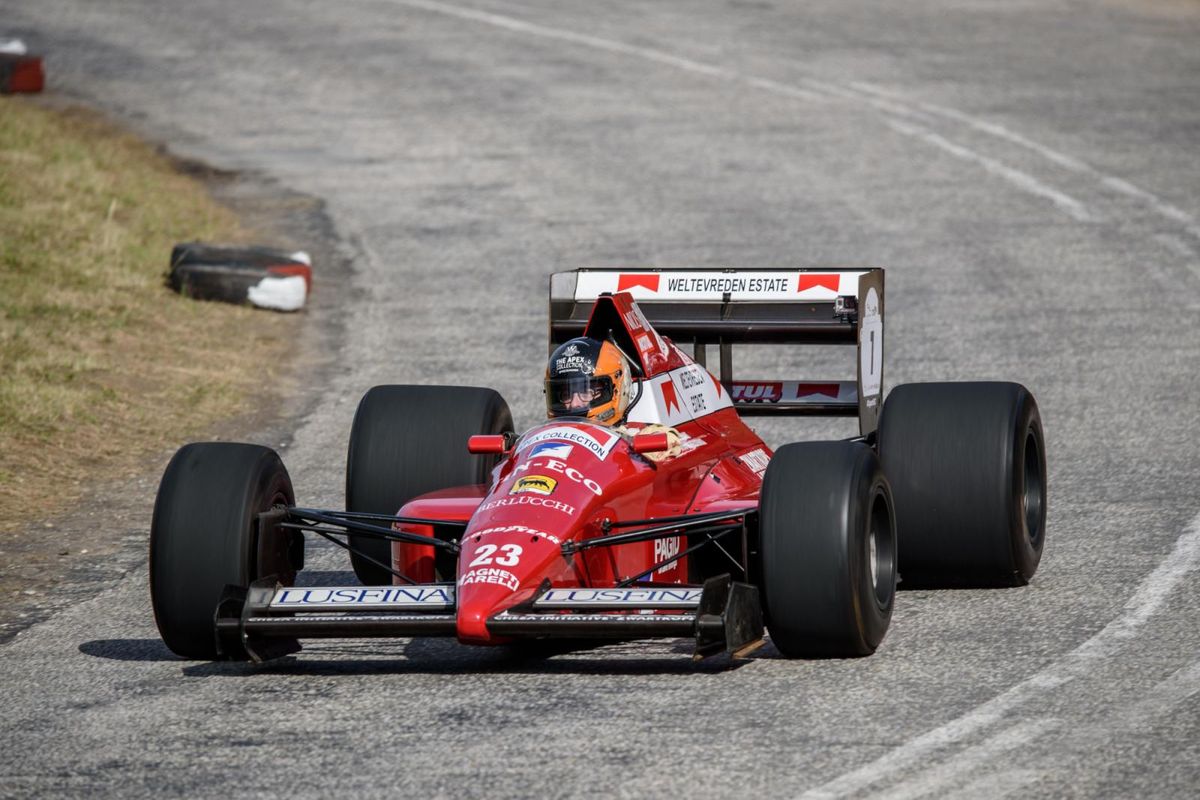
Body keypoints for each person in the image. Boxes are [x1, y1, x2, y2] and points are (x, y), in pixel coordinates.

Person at [544, 337, 632, 425]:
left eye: (586, 393)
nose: (574, 404)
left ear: (616, 391)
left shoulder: (638, 434)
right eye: (566, 395)